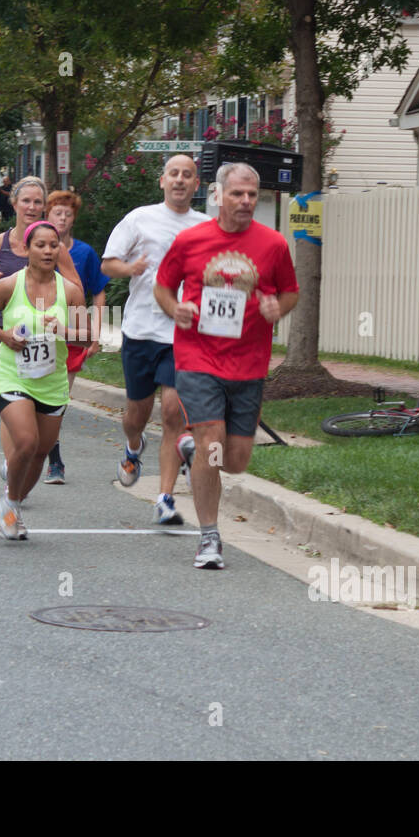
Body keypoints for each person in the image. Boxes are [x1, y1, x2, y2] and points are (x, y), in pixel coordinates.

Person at [154, 163, 299, 568]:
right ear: (219, 195)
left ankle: (189, 449)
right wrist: (175, 309)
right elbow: (162, 287)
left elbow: (290, 292)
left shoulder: (273, 244)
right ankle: (209, 538)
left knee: (233, 461)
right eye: (238, 194)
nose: (246, 201)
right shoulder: (191, 240)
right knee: (212, 444)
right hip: (198, 357)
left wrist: (277, 309)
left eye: (252, 194)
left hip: (249, 363)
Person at [102, 153, 209, 525]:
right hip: (141, 330)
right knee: (137, 413)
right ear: (162, 181)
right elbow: (107, 263)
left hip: (182, 334)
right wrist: (130, 268)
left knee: (172, 412)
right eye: (173, 174)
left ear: (197, 185)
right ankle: (133, 447)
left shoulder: (207, 226)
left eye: (188, 175)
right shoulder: (139, 218)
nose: (180, 180)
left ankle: (164, 498)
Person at [0, 220, 87, 538]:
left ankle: (12, 503)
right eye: (41, 245)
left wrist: (64, 332)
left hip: (51, 383)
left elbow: (89, 335)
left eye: (54, 245)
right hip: (12, 376)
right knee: (26, 440)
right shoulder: (10, 284)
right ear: (28, 250)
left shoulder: (71, 291)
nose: (48, 250)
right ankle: (10, 501)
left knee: (39, 454)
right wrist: (3, 335)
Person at [0, 177, 84, 482]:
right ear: (14, 203)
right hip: (6, 335)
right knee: (15, 401)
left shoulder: (53, 245)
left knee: (38, 414)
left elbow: (76, 288)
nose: (31, 207)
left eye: (37, 202)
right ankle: (13, 462)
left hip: (47, 339)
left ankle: (33, 458)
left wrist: (66, 316)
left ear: (44, 206)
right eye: (26, 201)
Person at [44, 190, 109, 483]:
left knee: (59, 397)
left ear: (73, 220)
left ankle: (54, 460)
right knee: (33, 397)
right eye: (57, 212)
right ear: (48, 215)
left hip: (72, 330)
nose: (62, 218)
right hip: (38, 327)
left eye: (67, 214)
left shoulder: (85, 253)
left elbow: (98, 292)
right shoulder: (34, 246)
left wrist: (95, 334)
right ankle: (32, 451)